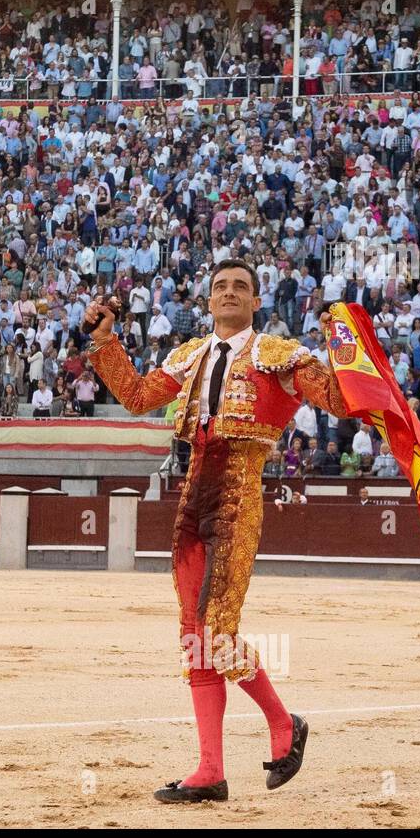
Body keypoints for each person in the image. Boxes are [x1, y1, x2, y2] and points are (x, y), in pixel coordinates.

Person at [84, 258, 352, 804]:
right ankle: (210, 770)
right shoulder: (189, 357)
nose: (230, 294)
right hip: (192, 497)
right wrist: (104, 341)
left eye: (242, 288)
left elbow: (342, 400)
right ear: (208, 302)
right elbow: (136, 395)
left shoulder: (280, 356)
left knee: (220, 634)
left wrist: (342, 337)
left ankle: (284, 722)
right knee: (194, 637)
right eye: (221, 287)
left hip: (236, 495)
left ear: (256, 302)